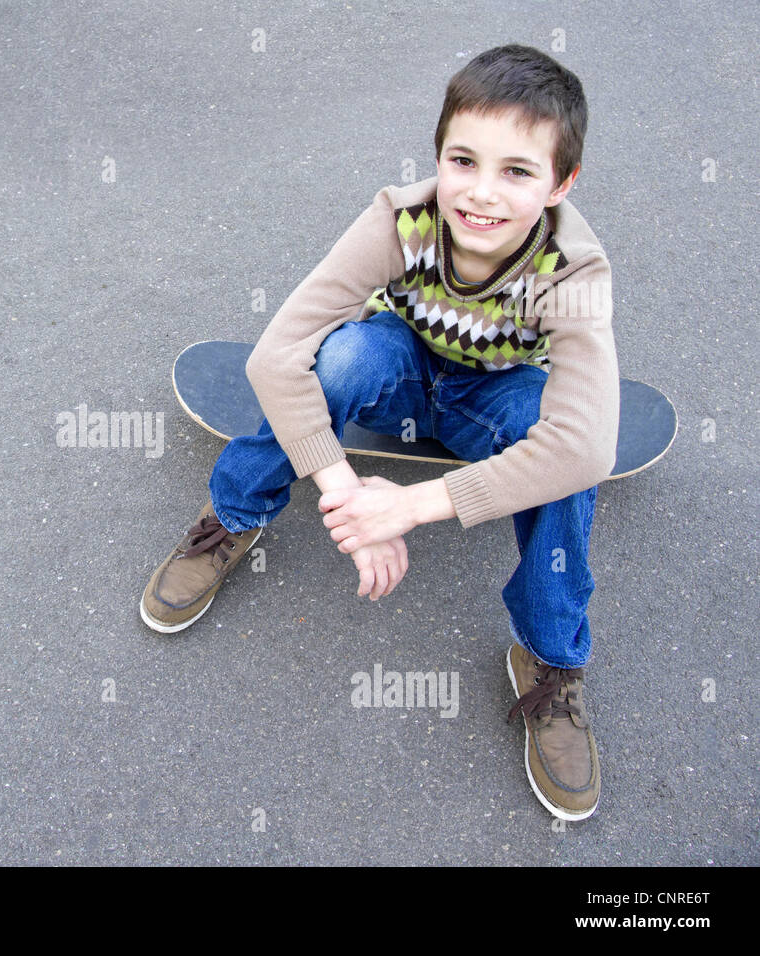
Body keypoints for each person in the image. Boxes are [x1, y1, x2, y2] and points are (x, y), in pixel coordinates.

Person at [140, 44, 617, 822]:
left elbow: (585, 444)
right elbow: (275, 357)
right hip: (397, 370)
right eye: (463, 160)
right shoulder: (402, 219)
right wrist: (344, 491)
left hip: (496, 398)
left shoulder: (573, 269)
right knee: (345, 355)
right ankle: (234, 516)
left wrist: (411, 507)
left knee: (558, 450)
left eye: (518, 172)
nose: (482, 194)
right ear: (438, 155)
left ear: (562, 183)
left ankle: (549, 655)